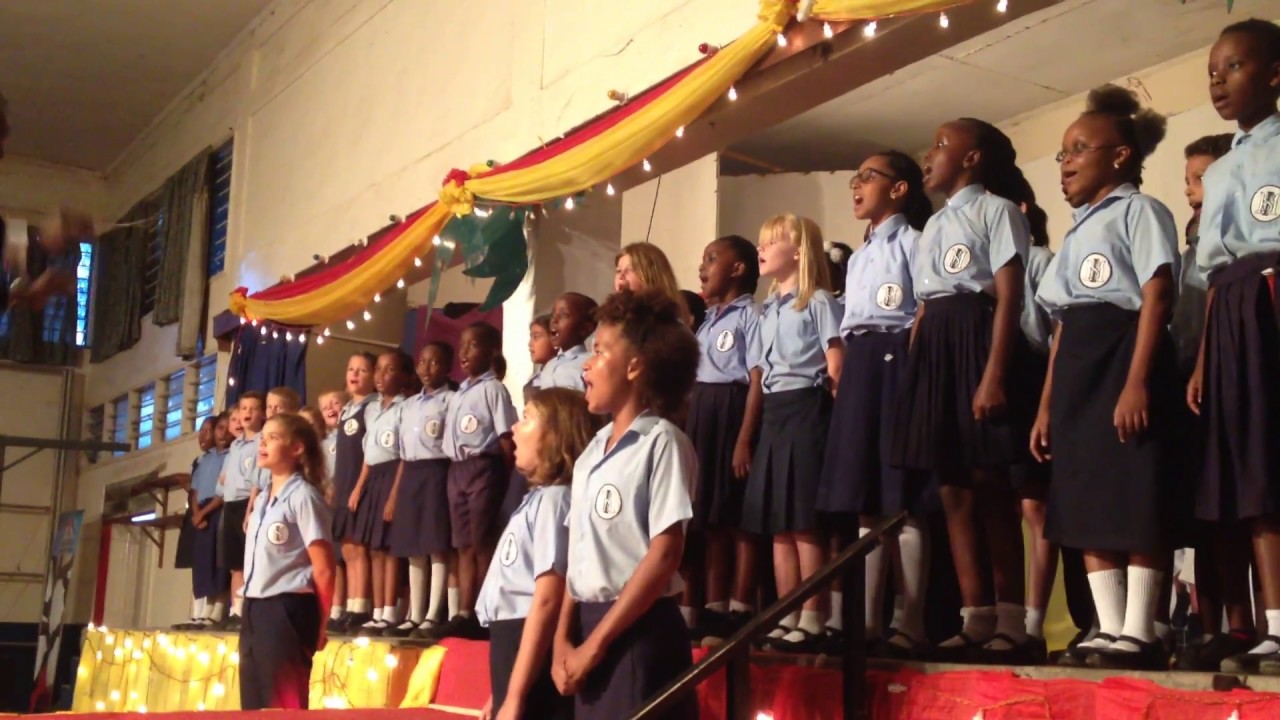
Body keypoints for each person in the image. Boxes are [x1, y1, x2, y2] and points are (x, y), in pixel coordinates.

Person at [1031, 85, 1180, 670]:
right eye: (1062, 153)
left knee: (1135, 491)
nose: (1065, 163)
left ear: (1119, 155)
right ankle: (1110, 626)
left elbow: (1157, 292)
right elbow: (1063, 322)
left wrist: (1137, 380)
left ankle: (1142, 629)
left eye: (1078, 149)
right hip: (1078, 369)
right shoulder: (1076, 230)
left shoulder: (1140, 211)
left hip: (1123, 357)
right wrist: (1046, 405)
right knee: (1089, 496)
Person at [890, 117, 1040, 663]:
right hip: (935, 350)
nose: (929, 155)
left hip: (977, 341)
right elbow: (926, 305)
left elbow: (1008, 295)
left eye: (940, 145)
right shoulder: (931, 226)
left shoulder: (996, 211)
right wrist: (916, 375)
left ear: (972, 158)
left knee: (990, 483)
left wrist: (994, 373)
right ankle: (973, 616)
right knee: (951, 486)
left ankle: (1011, 618)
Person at [552, 289, 700, 720]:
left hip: (638, 629)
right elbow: (579, 557)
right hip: (589, 630)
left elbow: (665, 553)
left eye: (599, 351)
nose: (586, 362)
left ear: (635, 365)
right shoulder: (592, 452)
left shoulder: (662, 443)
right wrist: (563, 640)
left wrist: (596, 645)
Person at [1188, 18, 1280, 676]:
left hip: (1274, 299)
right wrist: (1200, 360)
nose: (1220, 80)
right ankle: (1265, 625)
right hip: (1231, 314)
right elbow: (1213, 275)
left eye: (1236, 67)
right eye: (1213, 71)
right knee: (1246, 469)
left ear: (1274, 73)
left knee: (1274, 459)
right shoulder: (1218, 171)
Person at [817, 151, 933, 658]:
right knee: (865, 495)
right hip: (862, 362)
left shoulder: (913, 241)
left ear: (900, 188)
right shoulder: (861, 254)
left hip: (896, 358)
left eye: (869, 177)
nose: (857, 186)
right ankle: (865, 622)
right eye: (855, 176)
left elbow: (924, 306)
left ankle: (910, 620)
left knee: (901, 495)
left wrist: (911, 364)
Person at [1173, 133, 1255, 672]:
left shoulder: (1237, 243)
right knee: (1204, 517)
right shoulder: (1188, 249)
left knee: (1245, 505)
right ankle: (1214, 625)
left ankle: (1252, 624)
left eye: (1201, 177)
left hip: (1231, 374)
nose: (1192, 190)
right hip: (1185, 389)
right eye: (1188, 179)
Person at [743, 213, 843, 653]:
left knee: (804, 523)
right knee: (779, 524)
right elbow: (760, 374)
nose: (761, 250)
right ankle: (785, 614)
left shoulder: (817, 301)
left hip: (807, 407)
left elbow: (835, 363)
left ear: (799, 251)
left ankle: (813, 615)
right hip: (775, 413)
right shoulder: (766, 311)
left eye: (771, 242)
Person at [477, 388, 598, 720]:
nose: (514, 428)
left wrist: (515, 695)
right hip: (514, 641)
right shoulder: (538, 499)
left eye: (527, 418)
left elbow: (546, 599)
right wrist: (501, 690)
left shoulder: (555, 501)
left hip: (526, 634)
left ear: (556, 436)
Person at [684, 235, 763, 644]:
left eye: (712, 259)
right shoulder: (709, 320)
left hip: (732, 411)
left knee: (736, 516)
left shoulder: (751, 316)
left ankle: (741, 606)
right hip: (704, 412)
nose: (703, 267)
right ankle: (713, 607)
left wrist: (744, 438)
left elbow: (756, 380)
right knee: (711, 517)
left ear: (737, 269)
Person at [239, 413, 336, 710]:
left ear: (296, 449)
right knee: (253, 703)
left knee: (282, 705)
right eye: (262, 437)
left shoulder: (304, 497)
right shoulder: (262, 500)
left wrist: (320, 624)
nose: (263, 443)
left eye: (273, 437)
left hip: (286, 609)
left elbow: (324, 569)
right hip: (254, 608)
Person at [437, 322, 517, 640]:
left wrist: (509, 480)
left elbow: (506, 438)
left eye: (473, 346)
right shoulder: (460, 392)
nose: (464, 352)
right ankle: (464, 611)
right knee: (463, 544)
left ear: (490, 351)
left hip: (485, 467)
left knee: (483, 542)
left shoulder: (493, 389)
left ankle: (484, 612)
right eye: (463, 346)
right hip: (457, 469)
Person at [388, 342, 457, 638]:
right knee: (413, 547)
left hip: (437, 470)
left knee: (435, 544)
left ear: (446, 367)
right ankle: (415, 614)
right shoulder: (409, 405)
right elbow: (403, 452)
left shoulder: (451, 401)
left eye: (435, 363)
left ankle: (433, 613)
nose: (427, 369)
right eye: (423, 362)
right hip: (412, 472)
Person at [1016, 200, 1058, 662]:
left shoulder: (1041, 261)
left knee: (1036, 509)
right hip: (1001, 382)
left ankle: (1033, 621)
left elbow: (1052, 333)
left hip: (1032, 381)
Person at [348, 351, 412, 635]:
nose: (381, 376)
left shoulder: (405, 408)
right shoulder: (372, 409)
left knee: (388, 549)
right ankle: (376, 611)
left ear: (402, 377)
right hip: (372, 477)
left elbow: (404, 454)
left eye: (389, 371)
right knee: (373, 547)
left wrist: (395, 495)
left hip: (393, 474)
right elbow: (367, 454)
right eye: (379, 370)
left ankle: (390, 611)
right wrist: (359, 487)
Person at [329, 353, 378, 633]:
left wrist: (359, 486)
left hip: (359, 486)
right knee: (346, 548)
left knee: (359, 549)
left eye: (362, 370)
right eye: (351, 368)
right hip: (343, 485)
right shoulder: (347, 409)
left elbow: (370, 454)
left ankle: (361, 606)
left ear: (373, 377)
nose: (355, 374)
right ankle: (349, 605)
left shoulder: (370, 409)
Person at [216, 391, 267, 630]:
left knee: (250, 561)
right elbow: (222, 481)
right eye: (244, 408)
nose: (247, 413)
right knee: (235, 562)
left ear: (263, 413)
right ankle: (236, 611)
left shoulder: (262, 441)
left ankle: (250, 611)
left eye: (253, 408)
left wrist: (251, 508)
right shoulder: (235, 445)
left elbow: (259, 478)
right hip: (231, 504)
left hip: (249, 501)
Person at [177, 415, 231, 629]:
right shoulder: (203, 460)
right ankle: (200, 612)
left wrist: (205, 512)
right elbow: (195, 490)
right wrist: (196, 513)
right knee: (201, 563)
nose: (222, 433)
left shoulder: (229, 457)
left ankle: (215, 611)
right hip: (200, 512)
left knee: (217, 562)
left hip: (217, 509)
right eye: (218, 428)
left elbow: (223, 492)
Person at [247, 387, 304, 520]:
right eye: (269, 407)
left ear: (292, 411)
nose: (272, 411)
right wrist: (249, 510)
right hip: (265, 497)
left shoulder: (301, 495)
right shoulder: (262, 438)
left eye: (277, 407)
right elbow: (257, 482)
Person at [614, 242, 692, 326]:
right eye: (618, 271)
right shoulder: (611, 320)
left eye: (629, 270)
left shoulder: (669, 324)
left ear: (650, 277)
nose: (621, 276)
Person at [538, 293, 597, 392]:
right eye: (553, 314)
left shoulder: (588, 364)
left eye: (564, 315)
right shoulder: (549, 365)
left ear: (586, 328)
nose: (554, 320)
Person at [525, 315, 556, 405]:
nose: (530, 343)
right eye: (531, 337)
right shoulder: (537, 375)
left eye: (536, 337)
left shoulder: (560, 375)